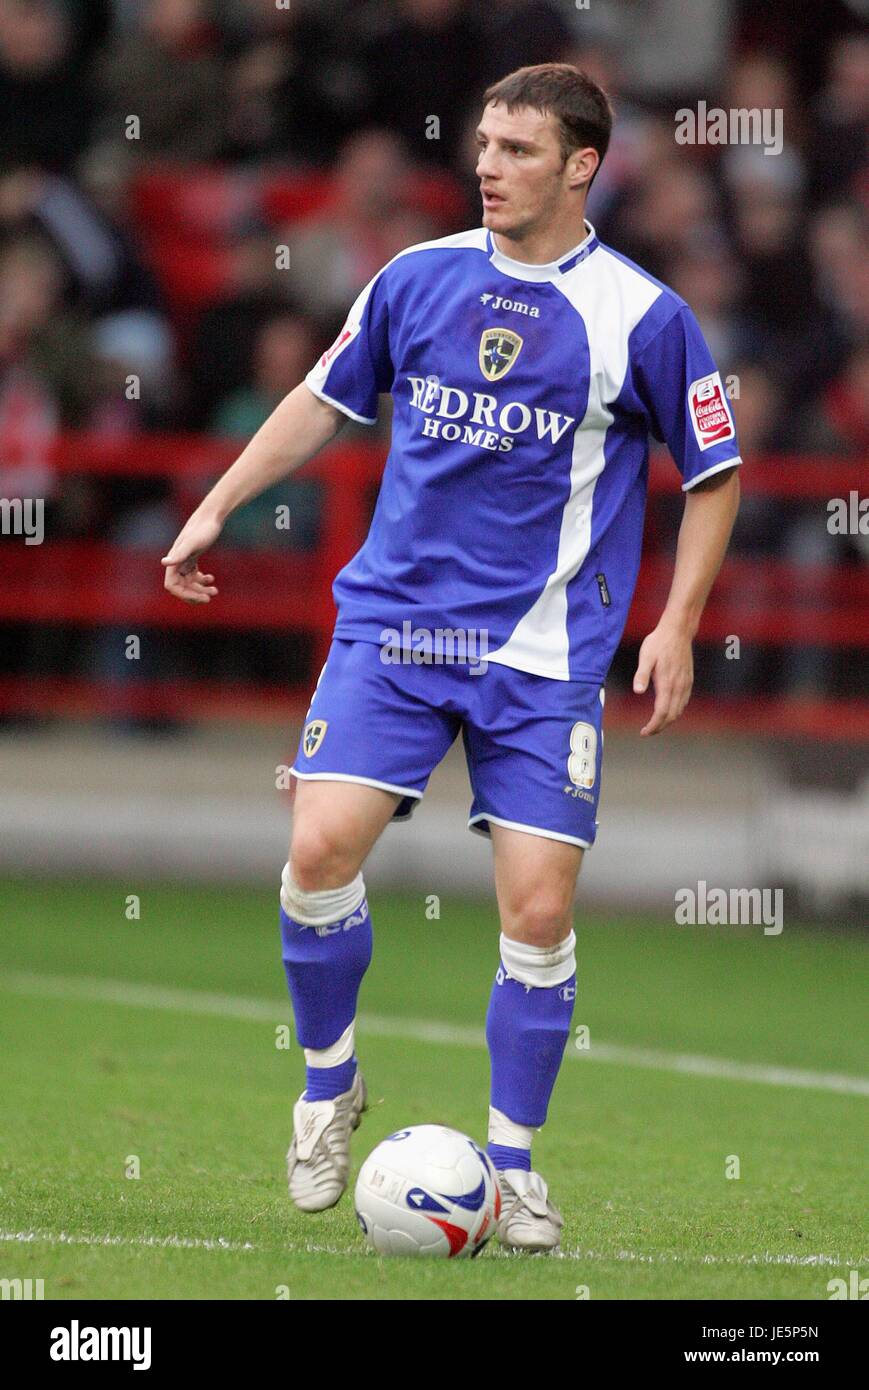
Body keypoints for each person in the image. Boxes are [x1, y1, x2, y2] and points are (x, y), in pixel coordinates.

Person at [162, 64, 741, 1253]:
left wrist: (676, 621)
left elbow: (716, 473)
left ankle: (513, 1168)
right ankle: (327, 1084)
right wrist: (217, 502)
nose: (487, 164)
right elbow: (324, 401)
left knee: (535, 911)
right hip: (394, 630)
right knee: (317, 849)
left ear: (581, 166)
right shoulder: (415, 278)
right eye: (483, 143)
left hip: (540, 658)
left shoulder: (643, 317)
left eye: (519, 149)